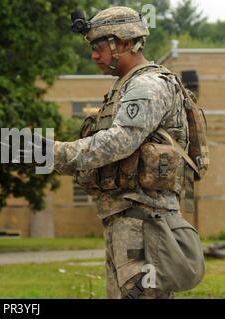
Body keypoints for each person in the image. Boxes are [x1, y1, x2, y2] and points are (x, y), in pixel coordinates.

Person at [52, 6, 191, 298]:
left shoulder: (147, 85)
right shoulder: (124, 88)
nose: (93, 55)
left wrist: (51, 152)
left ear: (126, 43)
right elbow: (103, 157)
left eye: (99, 46)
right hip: (129, 221)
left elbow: (117, 143)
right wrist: (36, 156)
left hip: (144, 224)